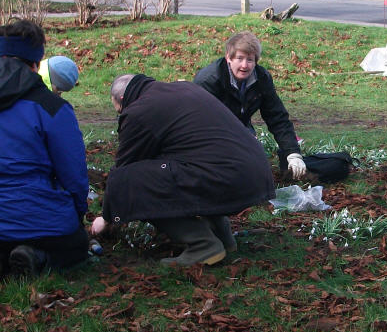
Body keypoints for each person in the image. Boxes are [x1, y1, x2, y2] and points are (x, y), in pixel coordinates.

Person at [0, 20, 89, 281]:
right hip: (39, 220)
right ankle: (37, 258)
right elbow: (74, 175)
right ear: (37, 61)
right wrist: (79, 210)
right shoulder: (51, 107)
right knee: (77, 246)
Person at [91, 74, 275, 268]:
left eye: (118, 110)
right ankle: (223, 236)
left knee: (134, 181)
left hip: (227, 177)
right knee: (184, 164)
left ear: (121, 99)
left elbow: (124, 168)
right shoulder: (185, 89)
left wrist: (107, 216)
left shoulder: (140, 110)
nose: (120, 114)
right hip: (253, 173)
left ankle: (203, 245)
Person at [193, 31, 308, 178]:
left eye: (250, 60)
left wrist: (293, 153)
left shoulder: (262, 78)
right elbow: (201, 125)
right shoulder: (209, 81)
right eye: (239, 58)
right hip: (209, 136)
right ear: (228, 57)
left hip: (242, 132)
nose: (244, 65)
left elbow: (277, 117)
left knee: (256, 169)